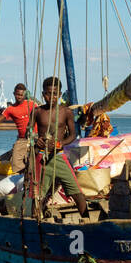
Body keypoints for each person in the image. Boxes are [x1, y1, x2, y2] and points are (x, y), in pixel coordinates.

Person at [32, 76, 89, 218]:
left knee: (76, 191)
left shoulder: (66, 112)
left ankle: (87, 220)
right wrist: (35, 140)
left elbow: (73, 134)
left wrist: (61, 143)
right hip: (42, 158)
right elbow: (28, 133)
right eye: (47, 93)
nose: (51, 97)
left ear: (59, 94)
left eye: (55, 94)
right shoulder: (37, 112)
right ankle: (36, 221)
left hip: (59, 157)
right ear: (43, 94)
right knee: (38, 194)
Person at [0, 82, 36, 172]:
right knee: (16, 164)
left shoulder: (31, 104)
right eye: (17, 94)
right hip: (22, 140)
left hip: (35, 137)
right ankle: (21, 179)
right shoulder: (10, 109)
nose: (19, 97)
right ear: (14, 94)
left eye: (22, 95)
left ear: (25, 95)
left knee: (35, 162)